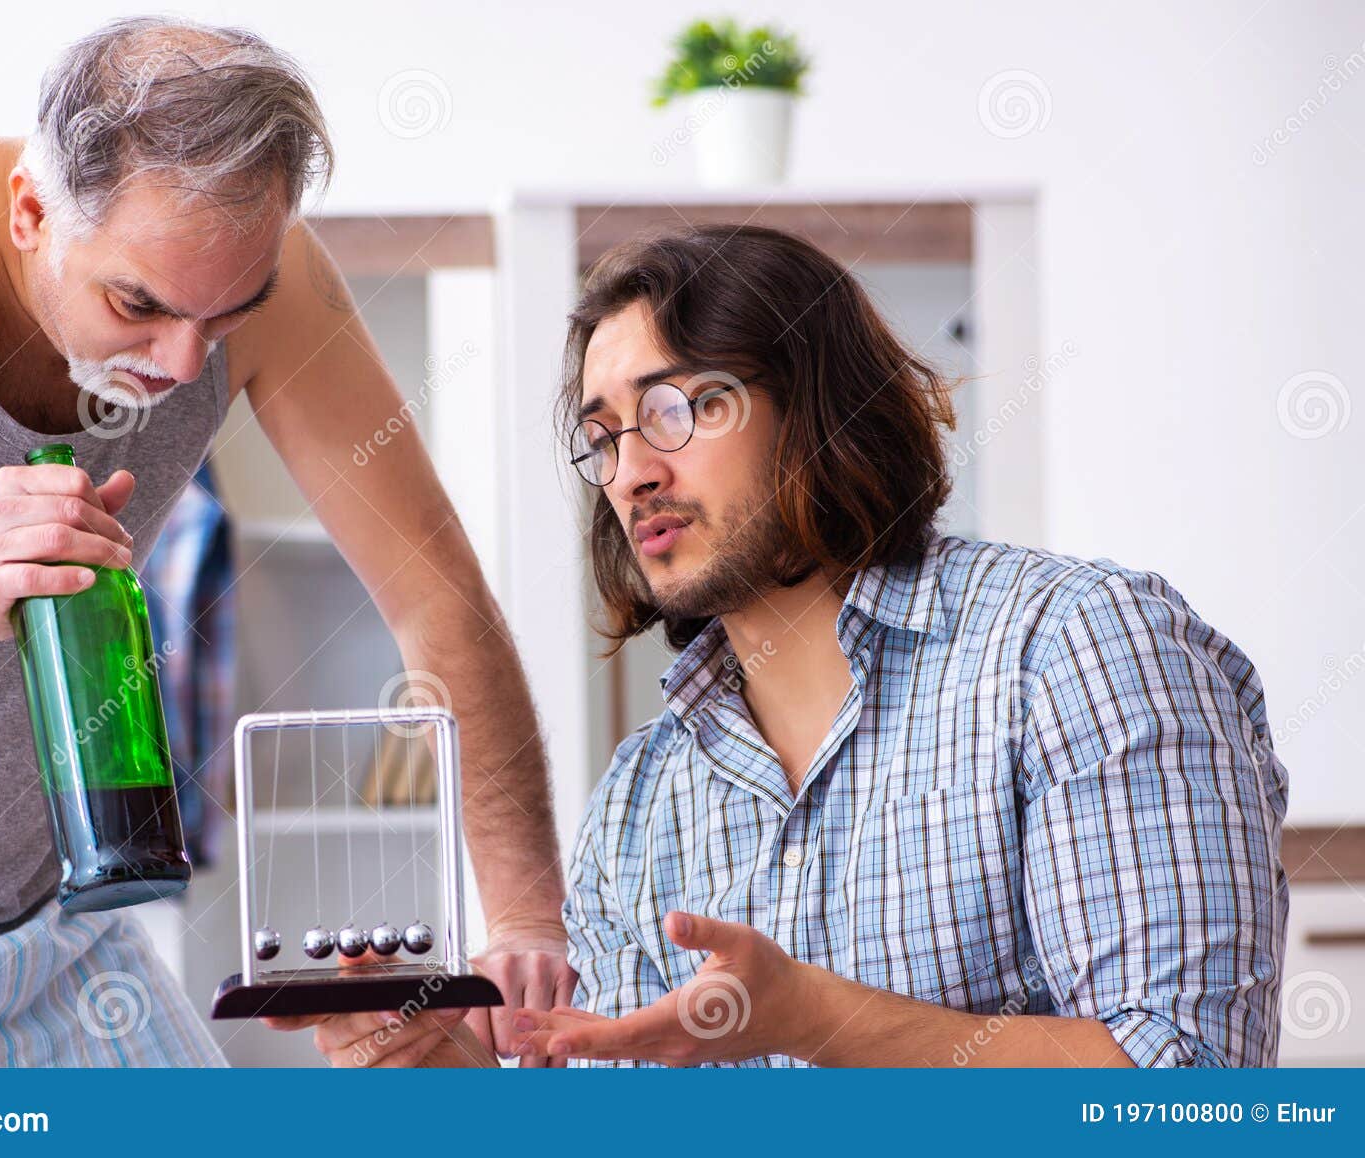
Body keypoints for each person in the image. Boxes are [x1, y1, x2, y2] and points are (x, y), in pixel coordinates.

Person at [281, 224, 1289, 1068]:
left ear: (816, 402)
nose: (630, 472)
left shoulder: (1076, 649)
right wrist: (448, 1077)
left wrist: (819, 1019)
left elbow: (1192, 1081)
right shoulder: (640, 801)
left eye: (677, 409)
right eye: (604, 437)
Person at [0, 16, 570, 1066]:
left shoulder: (258, 281)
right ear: (30, 211)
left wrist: (525, 921)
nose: (184, 367)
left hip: (42, 943)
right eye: (135, 303)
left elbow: (436, 596)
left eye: (225, 318)